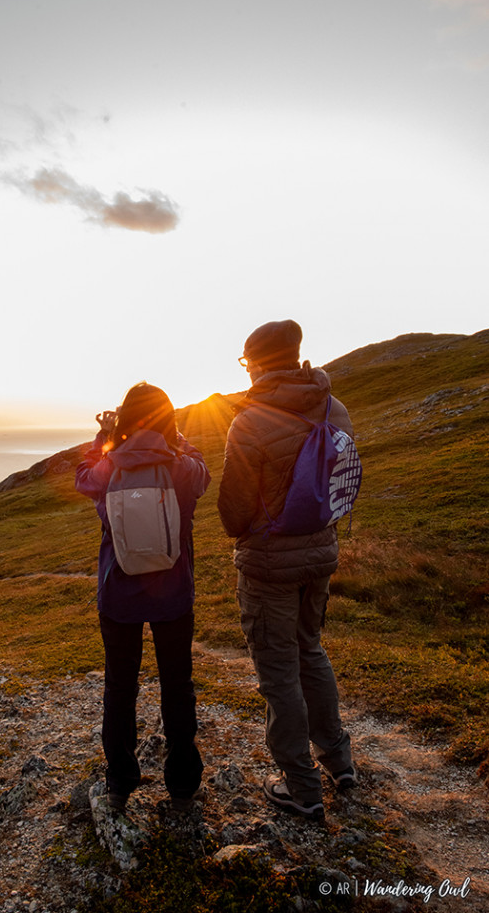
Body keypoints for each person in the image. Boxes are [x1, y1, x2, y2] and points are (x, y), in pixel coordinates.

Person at [217, 320, 356, 821]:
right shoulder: (332, 406)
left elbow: (233, 514)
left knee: (278, 670)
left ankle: (301, 787)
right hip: (320, 553)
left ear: (255, 363)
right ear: (296, 355)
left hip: (269, 563)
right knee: (310, 650)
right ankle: (339, 761)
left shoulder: (250, 420)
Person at [75, 382, 210, 812]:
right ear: (168, 421)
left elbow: (82, 478)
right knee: (177, 686)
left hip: (119, 594)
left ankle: (119, 785)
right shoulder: (181, 467)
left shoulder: (109, 467)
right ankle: (184, 788)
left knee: (120, 687)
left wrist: (104, 438)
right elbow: (203, 471)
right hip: (173, 594)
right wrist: (174, 437)